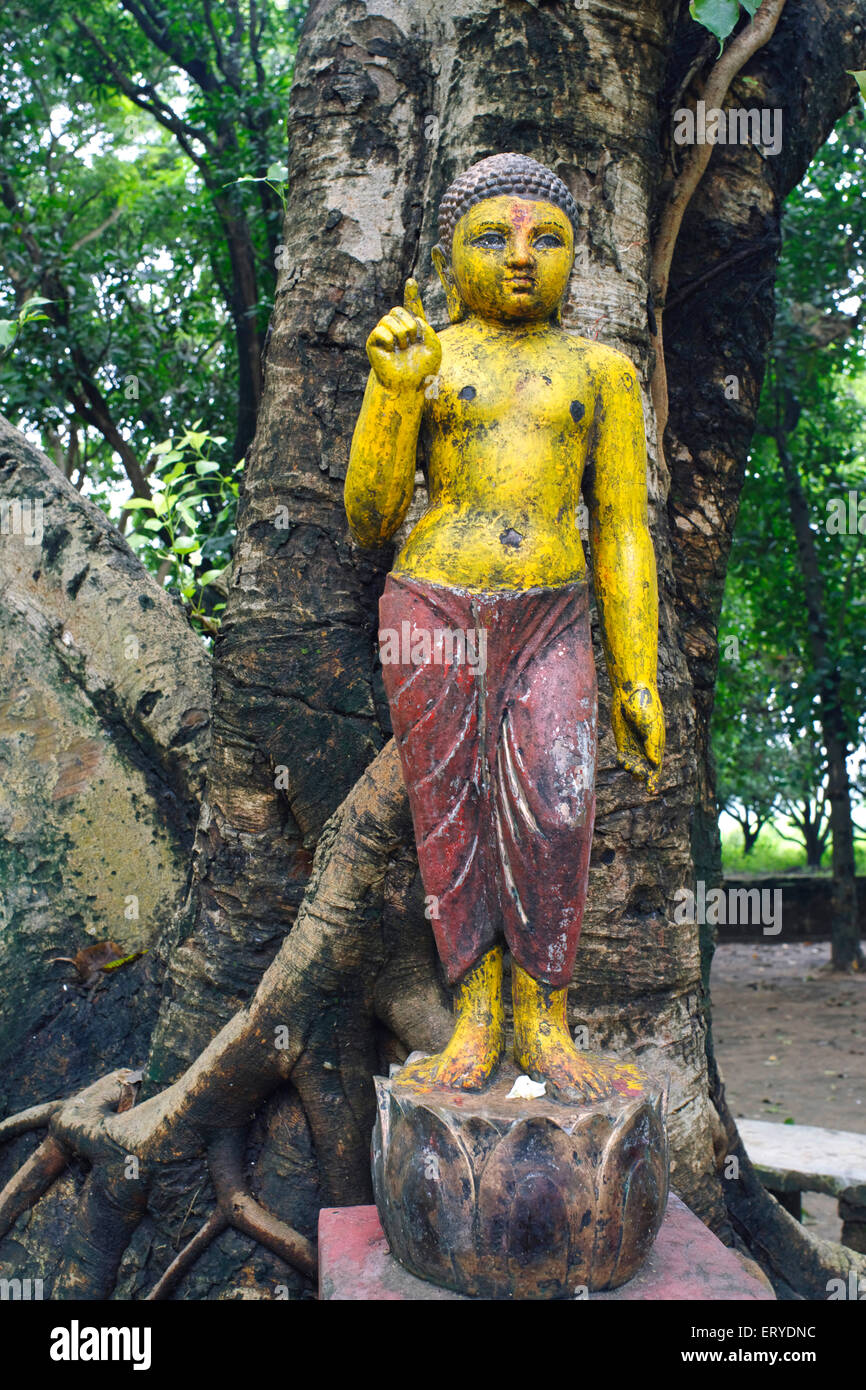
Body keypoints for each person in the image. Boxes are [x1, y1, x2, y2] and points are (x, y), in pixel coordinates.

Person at [345, 153, 664, 1102]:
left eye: (546, 239)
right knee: (452, 817)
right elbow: (369, 519)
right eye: (494, 237)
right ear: (448, 258)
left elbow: (623, 529)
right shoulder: (429, 356)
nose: (522, 256)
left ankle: (547, 1024)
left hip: (551, 611)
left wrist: (635, 672)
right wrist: (395, 394)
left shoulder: (602, 371)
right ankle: (477, 1020)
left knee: (557, 812)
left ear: (575, 255)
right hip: (433, 605)